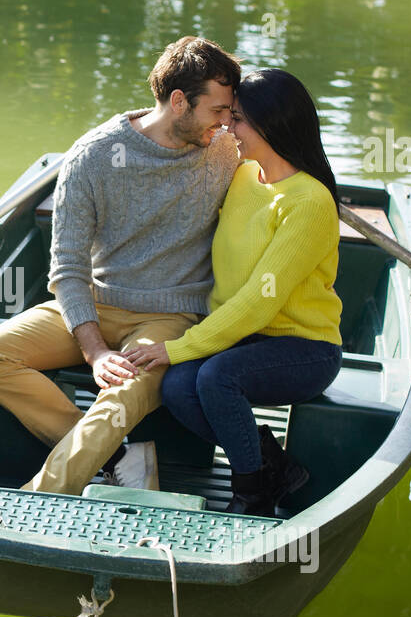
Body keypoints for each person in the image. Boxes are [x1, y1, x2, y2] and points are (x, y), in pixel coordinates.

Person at [0, 36, 242, 495]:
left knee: (123, 393)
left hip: (169, 316)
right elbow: (68, 266)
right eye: (218, 111)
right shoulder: (94, 156)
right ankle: (119, 458)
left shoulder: (225, 151)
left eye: (231, 112)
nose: (227, 122)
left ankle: (42, 496)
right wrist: (94, 350)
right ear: (179, 102)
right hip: (96, 303)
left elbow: (281, 174)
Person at [123, 68, 343, 518]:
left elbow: (260, 301)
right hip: (241, 338)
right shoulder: (243, 176)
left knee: (214, 377)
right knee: (180, 385)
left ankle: (252, 495)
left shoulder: (309, 203)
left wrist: (180, 346)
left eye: (238, 119)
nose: (227, 127)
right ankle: (271, 461)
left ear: (270, 124)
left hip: (304, 347)